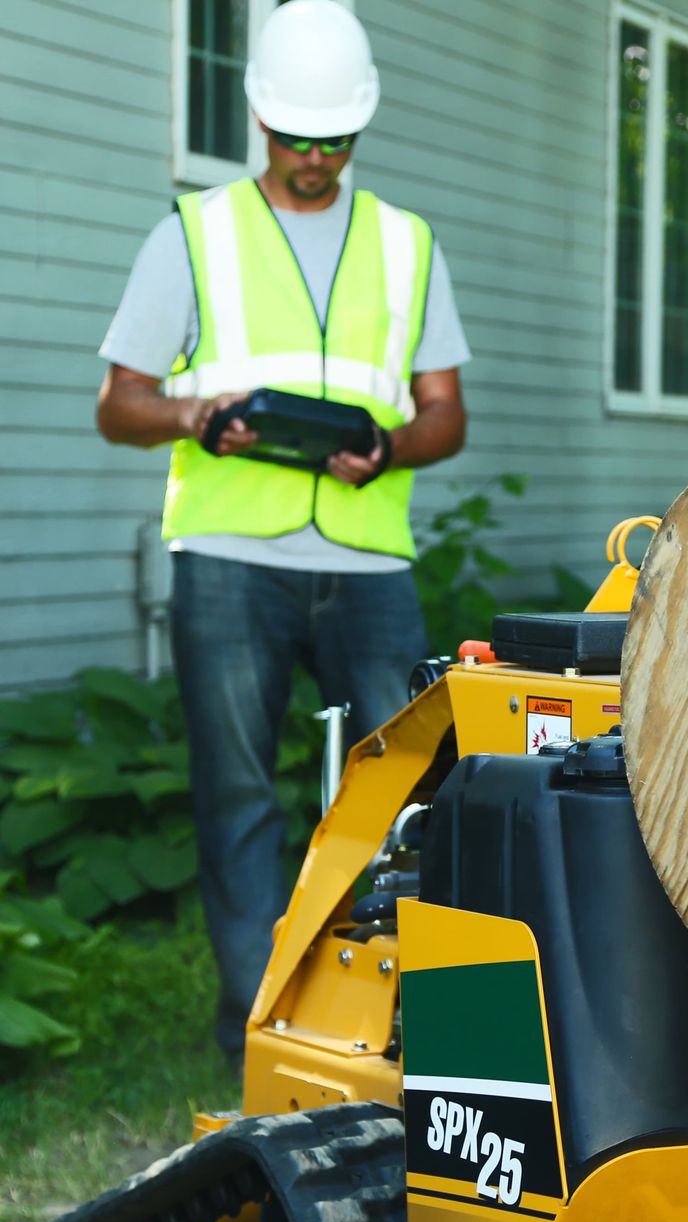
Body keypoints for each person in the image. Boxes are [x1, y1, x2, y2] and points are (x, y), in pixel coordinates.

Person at [96, 0, 470, 1068]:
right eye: (299, 137)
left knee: (408, 794)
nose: (316, 157)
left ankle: (389, 1030)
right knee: (241, 800)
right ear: (261, 119)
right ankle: (259, 1032)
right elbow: (119, 403)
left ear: (361, 129)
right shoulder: (192, 236)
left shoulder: (407, 245)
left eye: (336, 138)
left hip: (367, 566)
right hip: (229, 560)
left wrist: (390, 449)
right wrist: (192, 416)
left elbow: (444, 411)